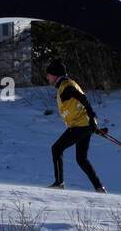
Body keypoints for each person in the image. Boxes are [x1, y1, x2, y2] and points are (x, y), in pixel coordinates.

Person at [45, 59, 106, 193]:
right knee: (81, 159)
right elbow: (82, 101)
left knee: (56, 148)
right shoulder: (67, 84)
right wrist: (92, 122)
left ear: (55, 75)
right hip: (84, 125)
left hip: (80, 125)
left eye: (48, 74)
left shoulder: (66, 86)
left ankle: (59, 183)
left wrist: (92, 117)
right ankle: (99, 187)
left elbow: (84, 99)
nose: (47, 77)